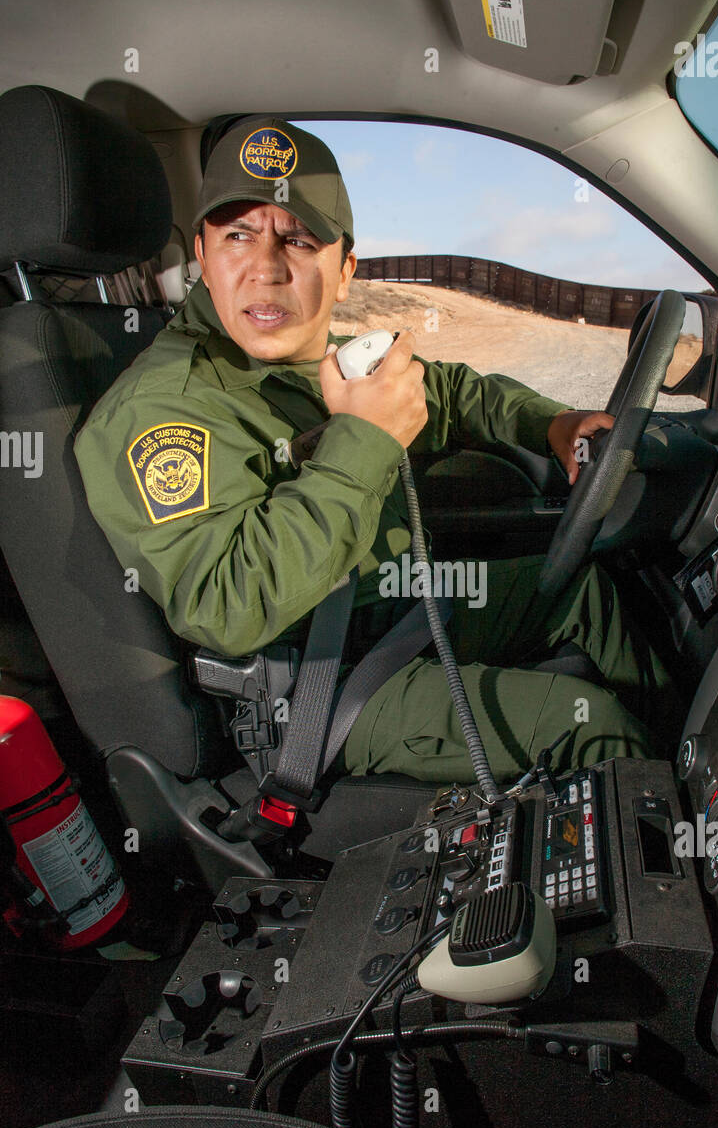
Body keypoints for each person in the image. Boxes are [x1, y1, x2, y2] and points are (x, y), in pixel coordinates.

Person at [74, 117, 679, 785]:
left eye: (297, 239)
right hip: (314, 681)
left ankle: (684, 765)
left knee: (588, 593)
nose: (266, 269)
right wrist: (363, 443)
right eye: (237, 236)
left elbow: (443, 392)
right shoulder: (160, 411)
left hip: (391, 607)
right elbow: (227, 604)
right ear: (202, 254)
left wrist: (550, 424)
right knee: (582, 723)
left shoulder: (309, 354)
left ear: (344, 271)